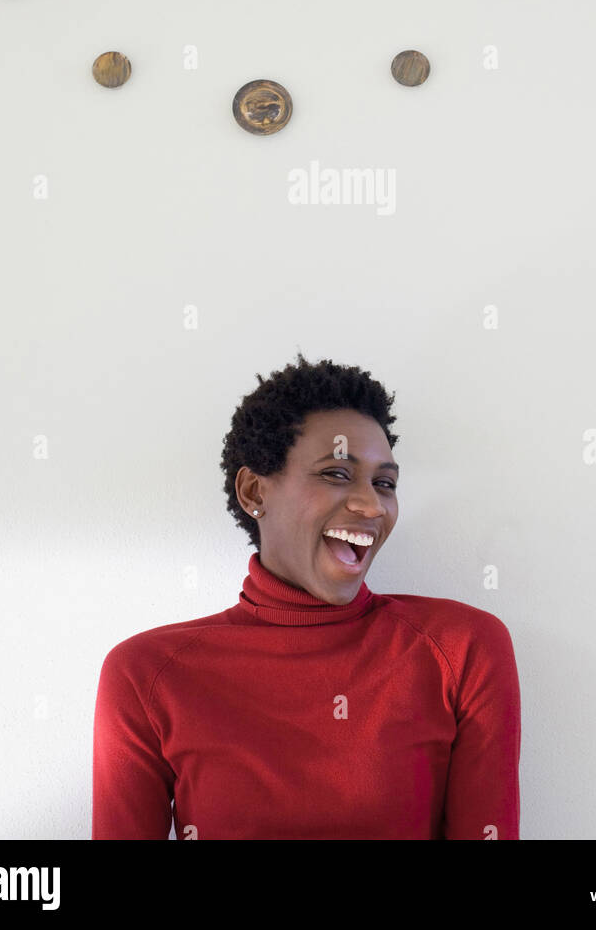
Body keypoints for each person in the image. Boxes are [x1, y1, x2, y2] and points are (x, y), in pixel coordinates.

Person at [91, 353, 521, 839]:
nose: (371, 505)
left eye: (385, 484)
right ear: (254, 492)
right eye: (336, 474)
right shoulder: (146, 674)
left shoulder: (462, 648)